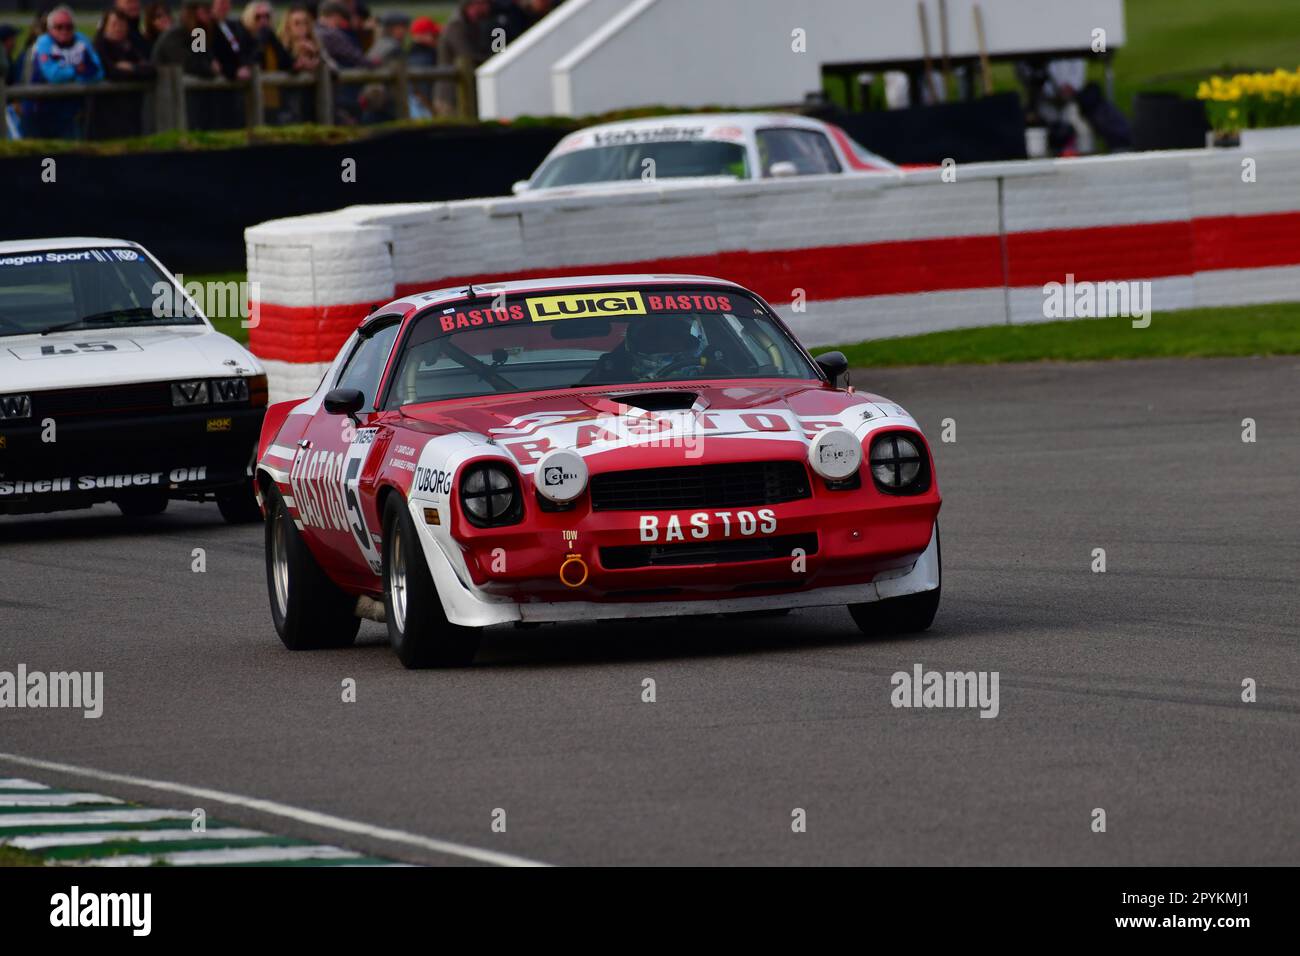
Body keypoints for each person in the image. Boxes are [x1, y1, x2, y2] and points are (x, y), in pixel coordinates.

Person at [20, 6, 104, 140]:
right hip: (39, 113)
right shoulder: (43, 43)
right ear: (50, 29)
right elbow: (53, 76)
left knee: (69, 157)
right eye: (59, 27)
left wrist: (71, 74)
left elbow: (98, 73)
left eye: (69, 26)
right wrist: (77, 70)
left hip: (68, 115)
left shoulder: (82, 41)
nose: (64, 31)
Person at [89, 6, 157, 138]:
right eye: (114, 24)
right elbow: (112, 73)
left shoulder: (131, 47)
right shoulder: (99, 47)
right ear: (105, 27)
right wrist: (133, 70)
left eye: (122, 25)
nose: (118, 28)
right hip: (104, 116)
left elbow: (152, 70)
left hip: (130, 116)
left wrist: (132, 68)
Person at [435, 0, 493, 115]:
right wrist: (493, 60)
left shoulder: (482, 24)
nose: (485, 7)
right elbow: (466, 55)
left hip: (467, 93)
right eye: (481, 4)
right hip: (451, 96)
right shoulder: (456, 26)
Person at [275, 2, 323, 121]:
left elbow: (332, 68)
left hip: (315, 106)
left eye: (305, 22)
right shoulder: (281, 48)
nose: (302, 27)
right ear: (288, 26)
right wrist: (297, 64)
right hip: (288, 108)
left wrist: (315, 56)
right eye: (296, 23)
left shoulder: (316, 46)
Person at [317, 0, 368, 67]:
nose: (340, 24)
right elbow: (355, 56)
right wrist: (372, 62)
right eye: (340, 20)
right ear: (336, 17)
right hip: (342, 73)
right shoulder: (332, 34)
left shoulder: (315, 30)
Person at [406, 16, 439, 115]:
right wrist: (429, 105)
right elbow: (421, 87)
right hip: (421, 104)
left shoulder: (416, 53)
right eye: (434, 35)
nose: (436, 39)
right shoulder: (422, 56)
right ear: (420, 35)